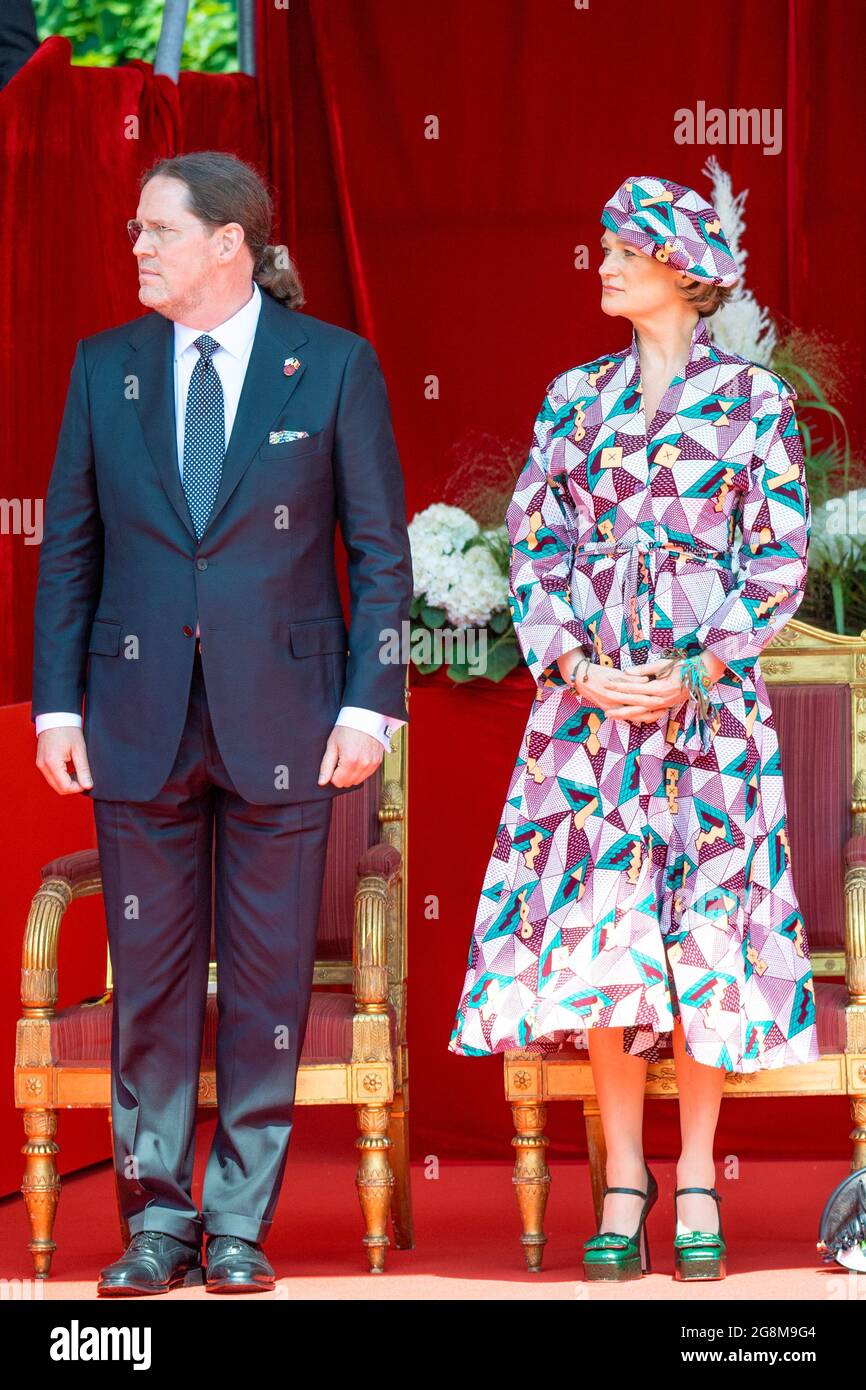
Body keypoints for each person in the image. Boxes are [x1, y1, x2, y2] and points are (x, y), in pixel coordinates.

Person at [32, 150, 413, 1295]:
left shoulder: (334, 368)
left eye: (157, 230)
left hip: (288, 719)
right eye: (136, 232)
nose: (137, 249)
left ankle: (239, 1220)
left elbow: (380, 557)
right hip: (134, 716)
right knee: (147, 979)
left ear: (227, 244)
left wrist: (368, 706)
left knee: (265, 981)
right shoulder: (105, 368)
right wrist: (58, 703)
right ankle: (158, 1219)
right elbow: (71, 552)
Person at [448, 174, 819, 1282]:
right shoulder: (570, 397)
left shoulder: (755, 405)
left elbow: (777, 561)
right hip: (590, 722)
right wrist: (575, 664)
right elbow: (533, 547)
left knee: (705, 941)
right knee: (606, 944)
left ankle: (696, 1172)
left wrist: (696, 667)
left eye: (618, 250)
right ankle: (622, 1175)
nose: (599, 266)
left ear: (678, 267)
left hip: (708, 719)